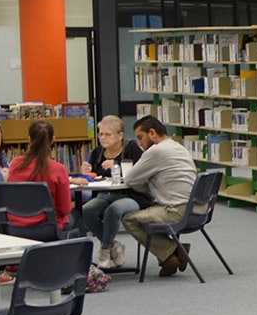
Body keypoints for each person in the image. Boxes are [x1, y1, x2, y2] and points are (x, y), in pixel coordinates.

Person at [120, 116, 202, 278]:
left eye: (140, 137)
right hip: (198, 210)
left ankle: (171, 251)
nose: (139, 143)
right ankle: (173, 252)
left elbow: (130, 179)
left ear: (152, 133)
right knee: (149, 213)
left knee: (129, 219)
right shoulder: (177, 146)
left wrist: (145, 185)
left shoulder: (156, 151)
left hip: (177, 212)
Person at [74, 114, 142, 270]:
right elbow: (91, 176)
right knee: (87, 210)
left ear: (120, 135)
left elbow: (139, 172)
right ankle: (113, 246)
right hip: (106, 194)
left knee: (113, 210)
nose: (103, 138)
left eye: (108, 134)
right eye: (101, 134)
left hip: (132, 194)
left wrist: (117, 164)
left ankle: (105, 250)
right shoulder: (97, 152)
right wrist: (85, 171)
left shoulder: (131, 148)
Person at [3, 120, 73, 238]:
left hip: (15, 226)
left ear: (29, 139)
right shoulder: (59, 169)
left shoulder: (15, 164)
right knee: (76, 216)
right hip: (47, 226)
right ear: (53, 140)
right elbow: (65, 209)